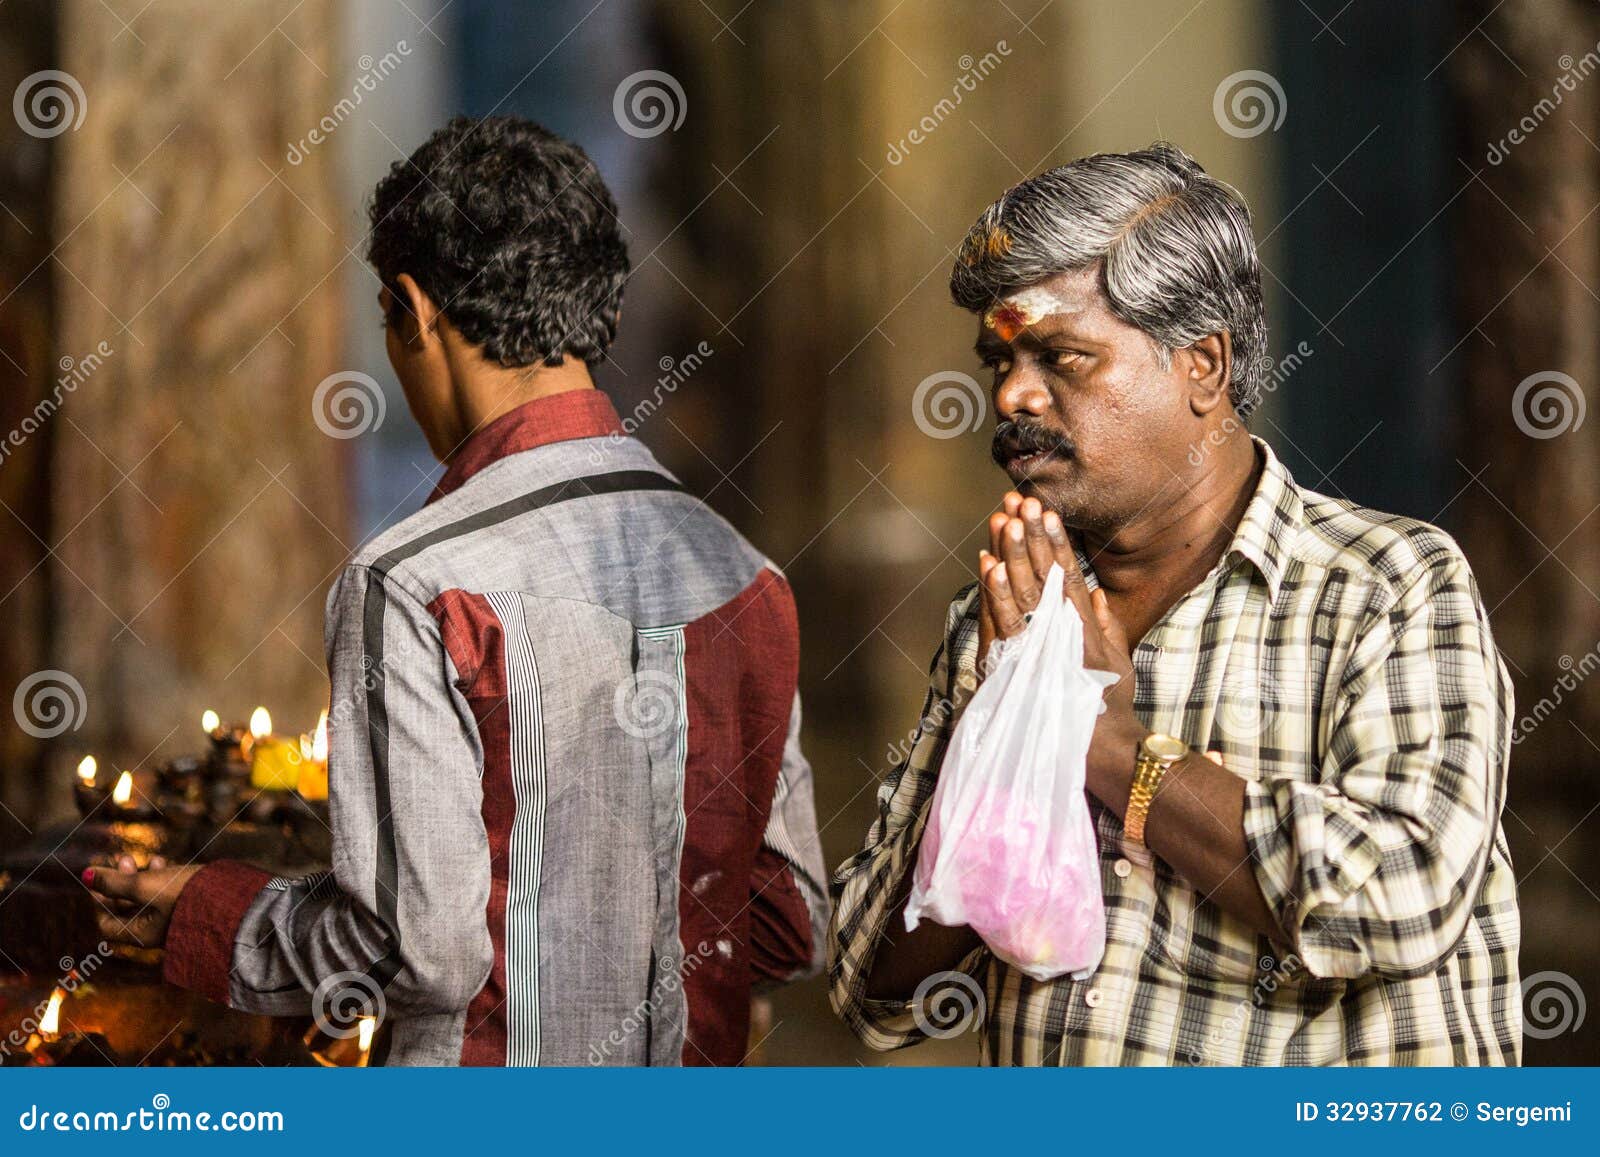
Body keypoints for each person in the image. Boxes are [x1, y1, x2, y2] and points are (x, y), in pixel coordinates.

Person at [90, 116, 828, 1066]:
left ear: (411, 310)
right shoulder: (746, 576)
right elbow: (789, 920)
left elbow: (416, 949)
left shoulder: (414, 585)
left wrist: (208, 909)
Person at [829, 142, 1521, 1066]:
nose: (1012, 393)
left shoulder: (1386, 587)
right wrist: (1008, 730)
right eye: (1000, 360)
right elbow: (870, 988)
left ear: (1202, 365)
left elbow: (1399, 896)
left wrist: (1102, 743)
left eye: (1061, 356)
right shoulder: (1012, 612)